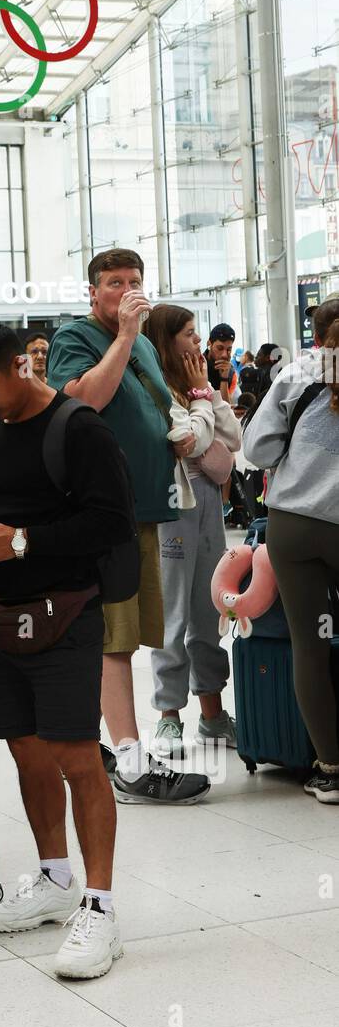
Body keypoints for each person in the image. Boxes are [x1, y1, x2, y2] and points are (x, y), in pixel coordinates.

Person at [0, 322, 134, 978]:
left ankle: (100, 906)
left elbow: (112, 522)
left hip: (68, 612)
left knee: (78, 756)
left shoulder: (79, 429)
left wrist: (20, 542)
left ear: (17, 368)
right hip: (5, 617)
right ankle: (55, 878)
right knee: (27, 751)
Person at [48, 248, 209, 804]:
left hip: (145, 506)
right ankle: (132, 762)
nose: (126, 290)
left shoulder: (141, 341)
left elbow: (157, 406)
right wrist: (121, 336)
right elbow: (84, 400)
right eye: (113, 282)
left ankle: (107, 747)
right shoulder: (78, 338)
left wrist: (180, 429)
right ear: (93, 292)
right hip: (100, 511)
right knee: (112, 640)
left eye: (134, 280)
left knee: (129, 635)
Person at [242, 314, 339, 802]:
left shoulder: (298, 373)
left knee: (311, 643)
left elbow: (256, 449)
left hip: (296, 526)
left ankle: (331, 769)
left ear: (317, 337)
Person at [142, 305, 242, 757]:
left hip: (207, 506)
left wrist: (207, 393)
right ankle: (167, 715)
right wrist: (204, 404)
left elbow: (234, 439)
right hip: (171, 505)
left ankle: (212, 714)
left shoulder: (197, 385)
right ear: (166, 339)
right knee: (172, 613)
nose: (197, 341)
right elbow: (194, 441)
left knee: (209, 606)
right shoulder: (150, 385)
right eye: (188, 333)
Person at [204, 323, 238, 399]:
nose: (224, 355)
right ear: (209, 344)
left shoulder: (231, 373)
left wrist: (224, 379)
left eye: (229, 349)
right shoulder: (196, 365)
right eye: (220, 348)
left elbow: (226, 407)